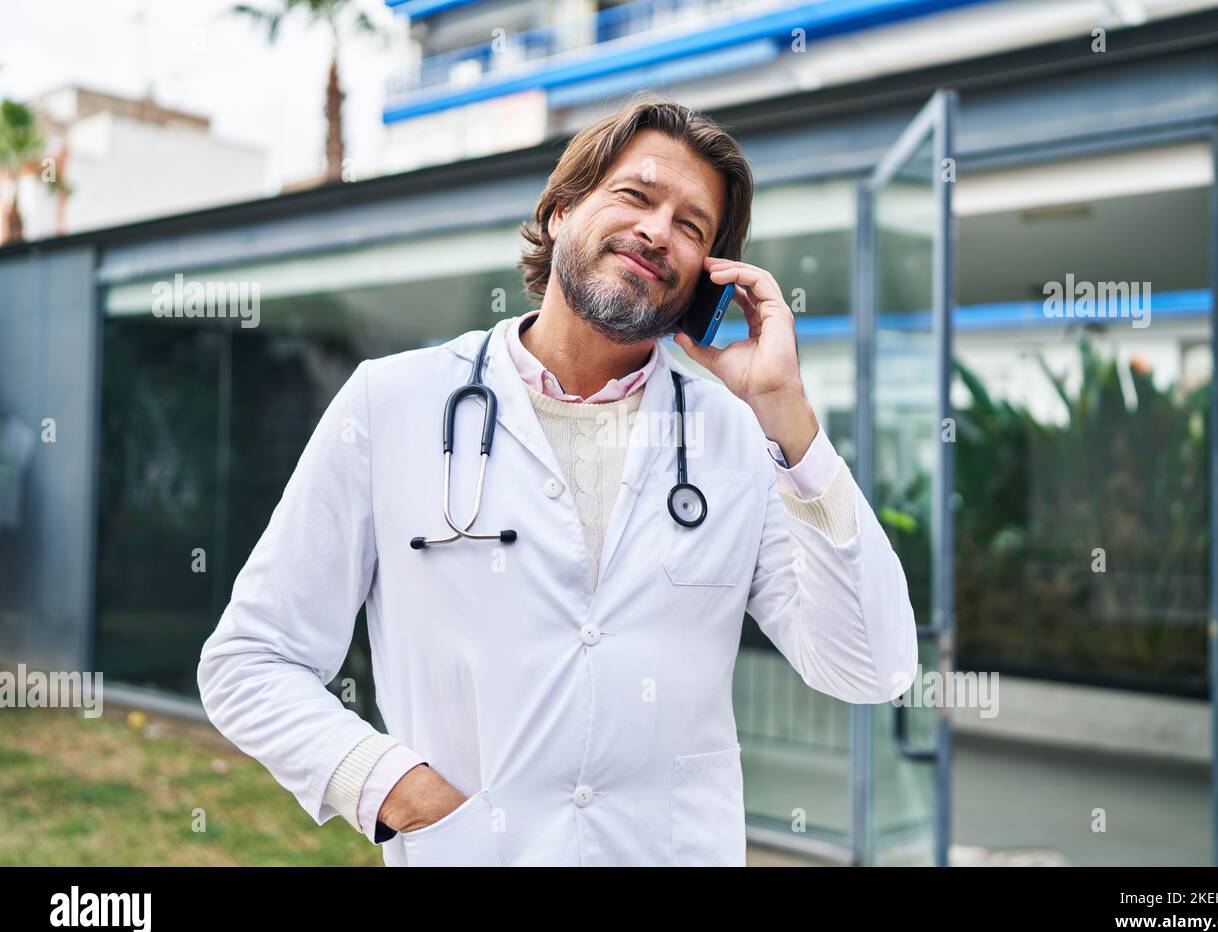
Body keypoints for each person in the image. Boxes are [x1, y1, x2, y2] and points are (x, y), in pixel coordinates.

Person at [196, 93, 917, 866]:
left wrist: (788, 414)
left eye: (690, 225)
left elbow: (871, 668)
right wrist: (397, 791)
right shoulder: (391, 402)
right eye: (636, 196)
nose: (656, 231)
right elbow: (251, 658)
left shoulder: (740, 436)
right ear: (560, 211)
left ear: (706, 280)